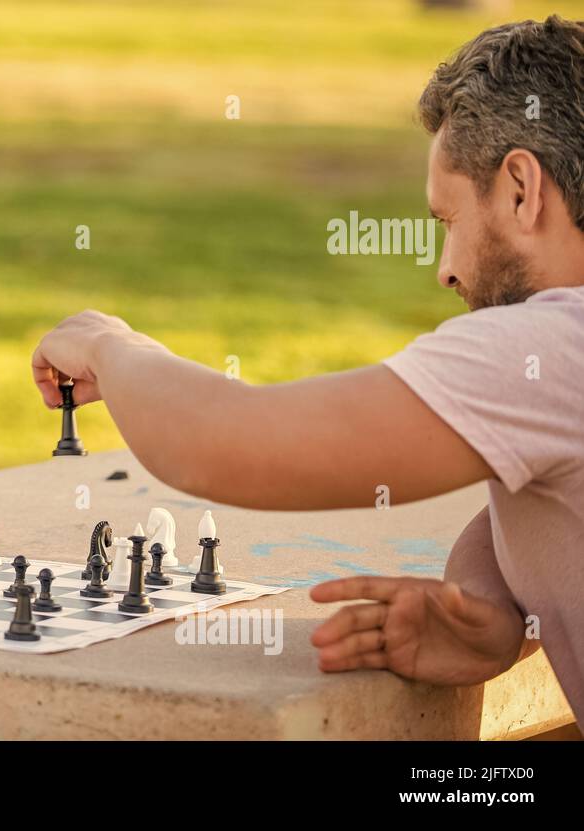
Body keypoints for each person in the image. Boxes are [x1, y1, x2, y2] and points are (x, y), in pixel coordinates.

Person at [30, 17, 584, 730]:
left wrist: (111, 346)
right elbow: (530, 497)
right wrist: (487, 604)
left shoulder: (551, 345)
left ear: (519, 189)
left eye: (449, 219)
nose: (444, 268)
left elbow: (225, 443)